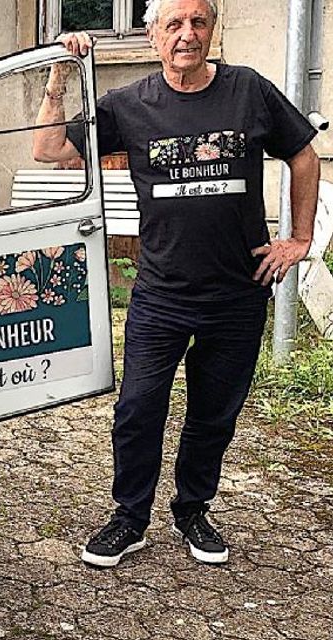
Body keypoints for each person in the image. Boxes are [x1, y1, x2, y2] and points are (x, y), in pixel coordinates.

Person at [31, 0, 320, 567]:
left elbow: (303, 155)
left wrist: (300, 238)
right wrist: (60, 75)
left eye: (198, 22)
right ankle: (129, 517)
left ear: (211, 30)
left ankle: (192, 511)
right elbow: (48, 150)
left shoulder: (248, 90)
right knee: (138, 408)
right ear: (153, 36)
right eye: (174, 24)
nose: (187, 35)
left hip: (238, 291)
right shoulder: (129, 105)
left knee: (214, 413)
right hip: (162, 294)